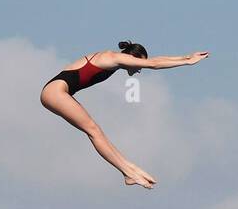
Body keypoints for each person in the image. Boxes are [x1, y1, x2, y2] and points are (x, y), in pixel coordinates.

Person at [40, 41, 209, 189]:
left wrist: (186, 57)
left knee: (94, 130)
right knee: (93, 130)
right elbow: (155, 63)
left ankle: (129, 170)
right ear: (132, 58)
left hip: (59, 92)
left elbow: (153, 60)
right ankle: (128, 172)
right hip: (55, 92)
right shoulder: (112, 58)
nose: (139, 70)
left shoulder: (114, 62)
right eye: (139, 65)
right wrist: (187, 61)